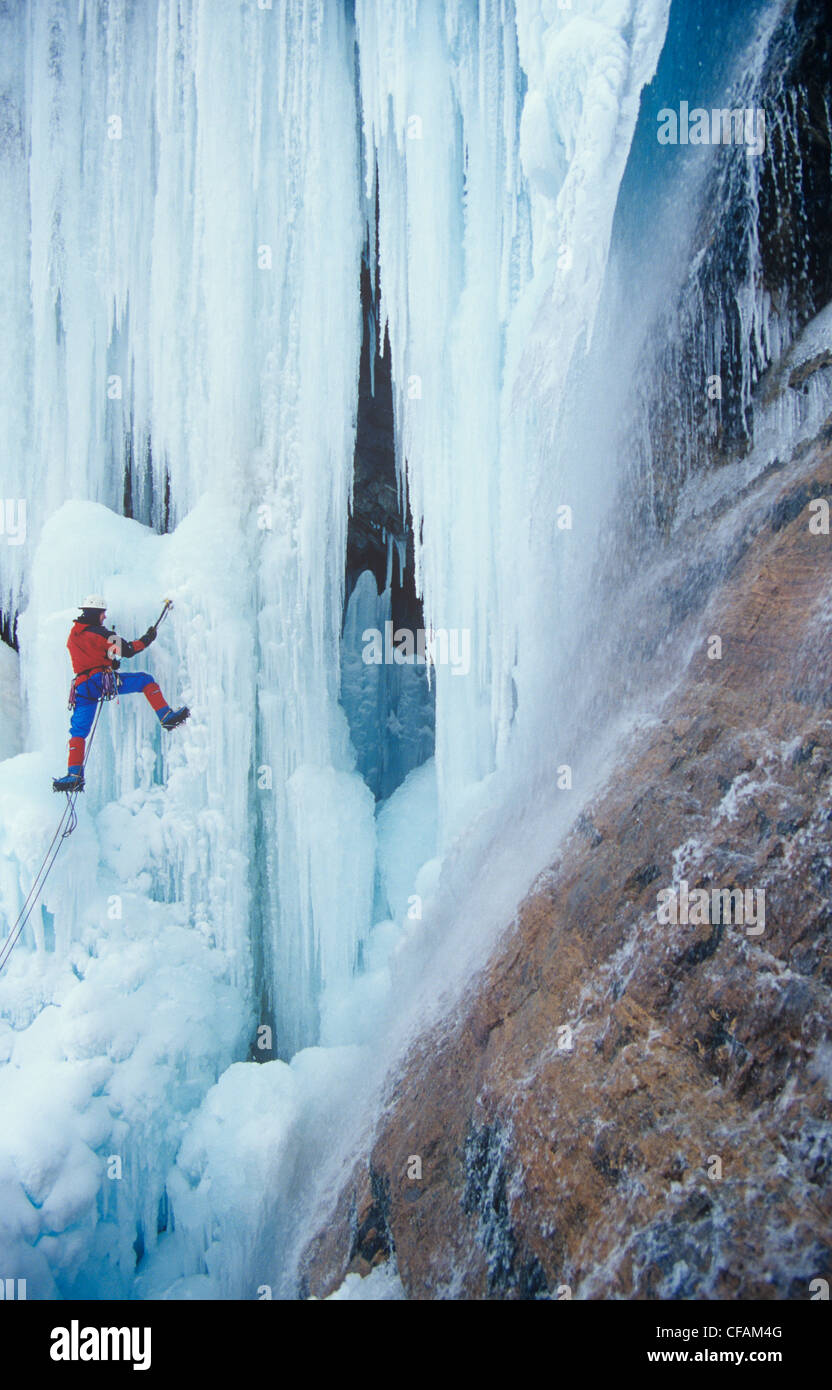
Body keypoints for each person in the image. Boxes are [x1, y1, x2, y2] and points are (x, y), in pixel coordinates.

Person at [52, 594, 189, 793]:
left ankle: (74, 776)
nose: (105, 618)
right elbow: (128, 649)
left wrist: (108, 661)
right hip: (100, 681)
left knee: (78, 731)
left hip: (82, 687)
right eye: (103, 614)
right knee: (145, 680)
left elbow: (90, 656)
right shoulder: (101, 633)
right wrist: (147, 639)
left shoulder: (73, 635)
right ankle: (167, 717)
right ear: (96, 613)